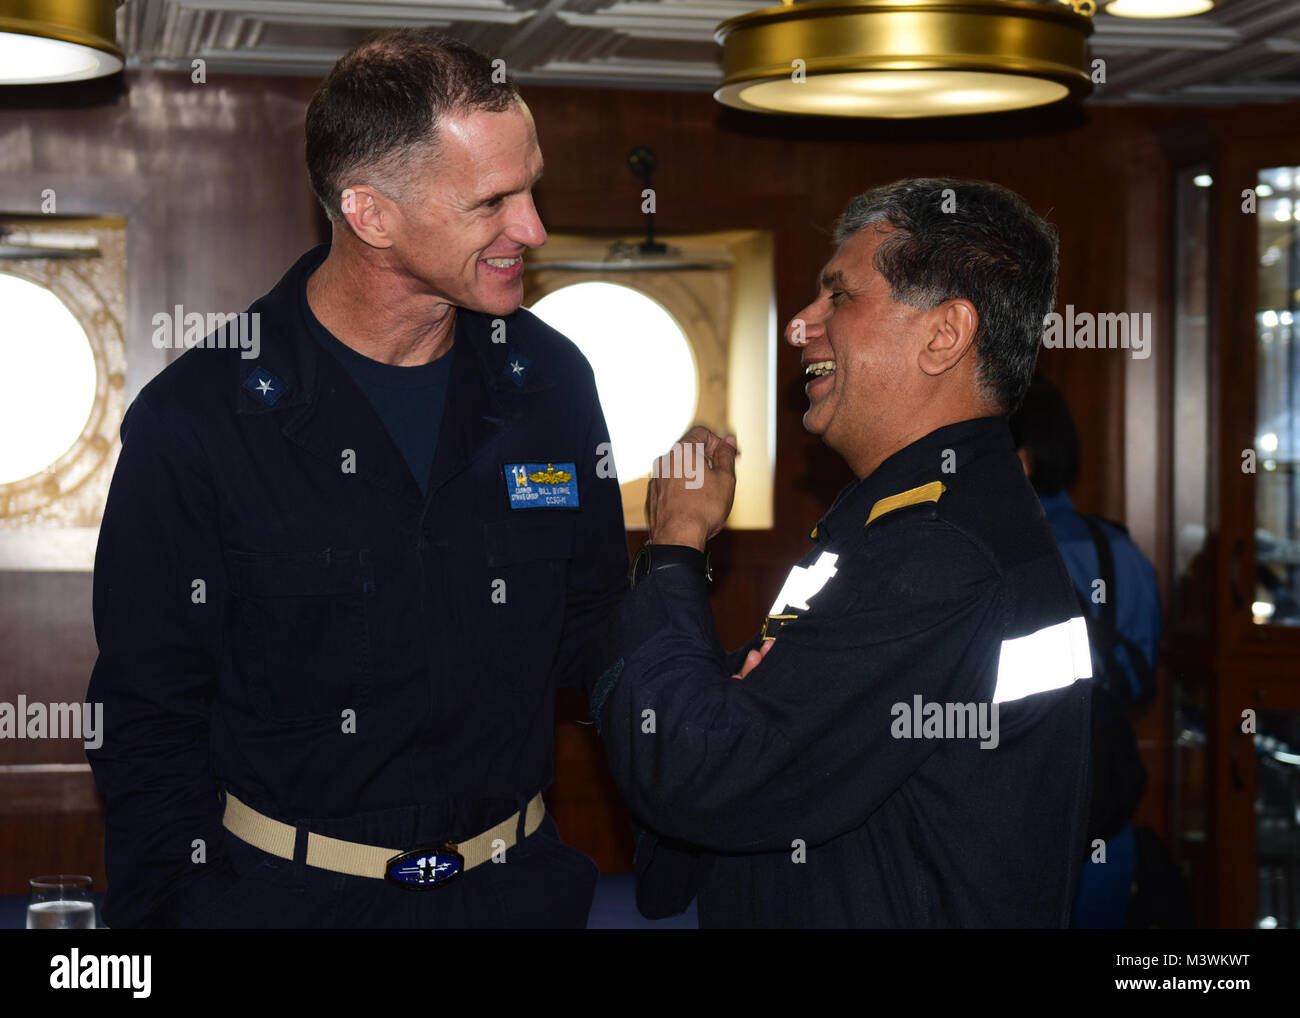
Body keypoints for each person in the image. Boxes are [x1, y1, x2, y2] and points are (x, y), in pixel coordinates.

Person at [85, 30, 628, 929]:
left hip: (515, 894)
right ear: (371, 214)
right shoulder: (198, 419)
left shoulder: (553, 383)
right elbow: (147, 715)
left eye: (532, 186)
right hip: (285, 906)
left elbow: (593, 622)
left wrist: (713, 657)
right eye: (491, 201)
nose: (532, 227)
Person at [588, 178, 1095, 927]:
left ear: (944, 335)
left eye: (840, 298)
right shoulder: (910, 516)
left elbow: (702, 769)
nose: (801, 325)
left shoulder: (938, 548)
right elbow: (788, 713)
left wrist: (674, 542)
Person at [1009, 374, 1162, 928]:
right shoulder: (1123, 554)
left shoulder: (990, 556)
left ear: (1018, 460)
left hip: (1017, 830)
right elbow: (1141, 685)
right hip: (1108, 823)